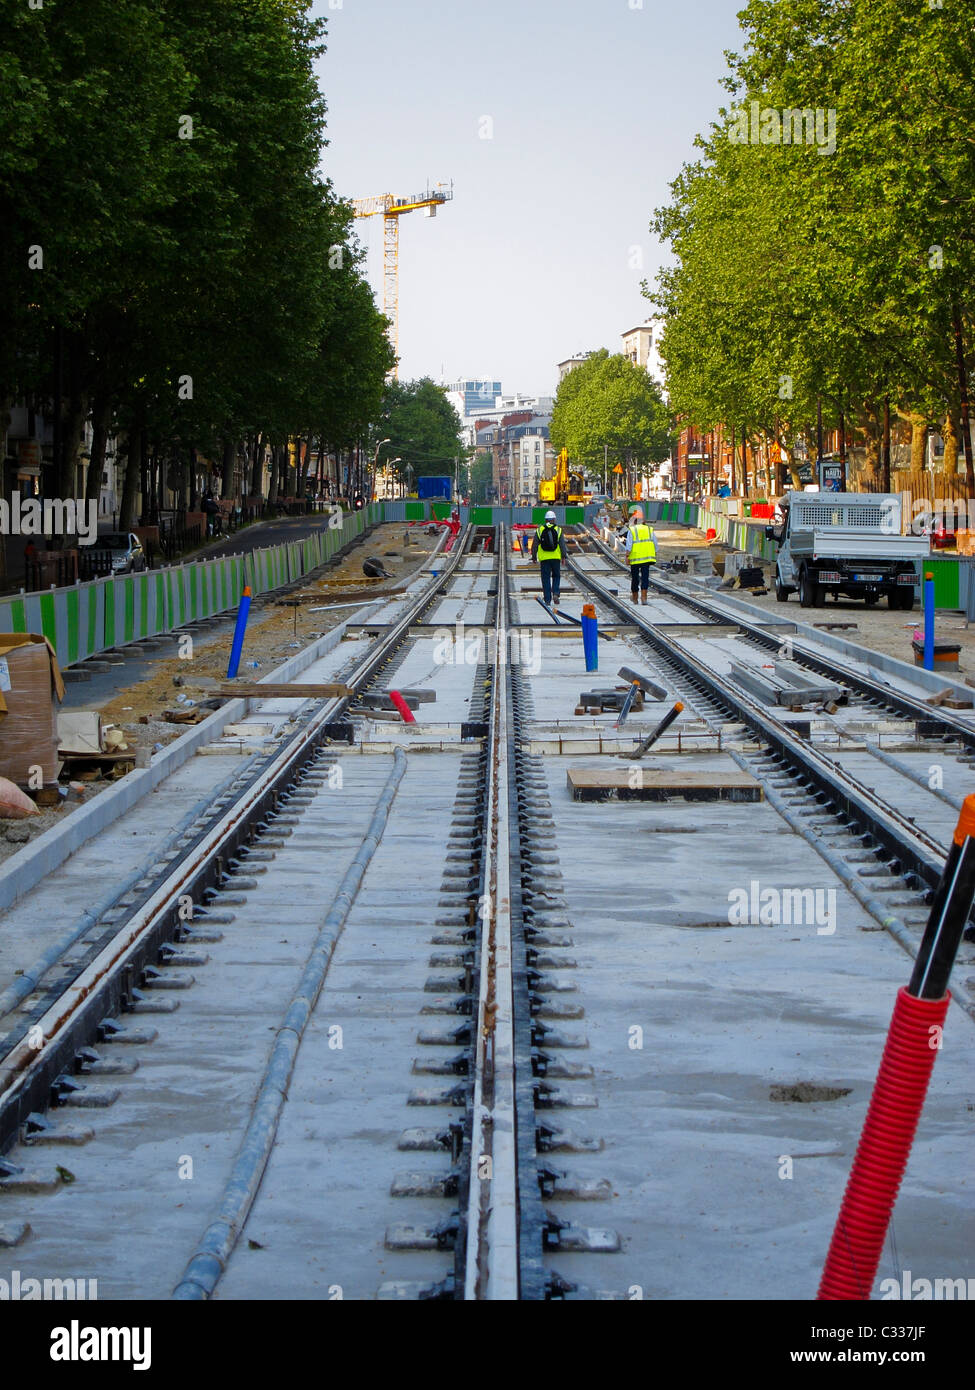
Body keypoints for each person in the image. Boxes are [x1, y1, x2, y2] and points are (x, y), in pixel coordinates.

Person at [530, 509, 567, 610]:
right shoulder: (558, 530)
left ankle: (547, 599)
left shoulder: (540, 530)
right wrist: (563, 557)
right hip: (555, 558)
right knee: (556, 576)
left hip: (544, 559)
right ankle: (555, 592)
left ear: (546, 520)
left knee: (545, 578)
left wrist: (534, 557)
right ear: (554, 519)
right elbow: (562, 545)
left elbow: (535, 545)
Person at [624, 507, 656, 604]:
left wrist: (627, 556)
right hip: (646, 558)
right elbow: (655, 544)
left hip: (635, 558)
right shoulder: (649, 530)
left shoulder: (632, 530)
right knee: (645, 577)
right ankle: (644, 598)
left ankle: (635, 598)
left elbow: (629, 545)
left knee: (635, 578)